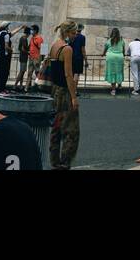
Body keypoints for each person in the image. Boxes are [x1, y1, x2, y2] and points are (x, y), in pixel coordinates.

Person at [47, 20, 81, 170]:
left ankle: (54, 161)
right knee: (71, 129)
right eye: (73, 33)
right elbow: (68, 74)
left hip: (54, 90)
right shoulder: (67, 49)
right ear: (67, 32)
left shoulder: (55, 45)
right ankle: (65, 162)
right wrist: (74, 97)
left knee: (56, 126)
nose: (75, 36)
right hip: (64, 91)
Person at [104, 27, 126, 94]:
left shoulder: (109, 40)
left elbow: (105, 49)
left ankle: (113, 90)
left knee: (112, 72)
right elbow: (123, 50)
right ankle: (119, 85)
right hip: (119, 57)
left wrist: (103, 54)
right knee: (119, 71)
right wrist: (123, 55)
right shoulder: (122, 40)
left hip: (111, 57)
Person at [0, 22, 13, 96]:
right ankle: (1, 90)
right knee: (4, 73)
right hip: (4, 56)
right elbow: (6, 47)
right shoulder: (6, 35)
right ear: (6, 27)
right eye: (8, 26)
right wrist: (11, 50)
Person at [12, 24, 30, 90]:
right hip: (23, 57)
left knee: (21, 71)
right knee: (22, 71)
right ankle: (15, 85)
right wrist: (28, 53)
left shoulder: (22, 38)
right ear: (28, 33)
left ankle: (21, 85)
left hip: (21, 56)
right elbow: (22, 49)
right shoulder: (24, 39)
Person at [72, 22, 87, 90]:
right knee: (76, 74)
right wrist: (86, 60)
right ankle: (74, 90)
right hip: (79, 57)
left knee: (72, 74)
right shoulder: (82, 37)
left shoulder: (72, 36)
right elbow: (83, 49)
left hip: (71, 57)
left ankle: (71, 89)